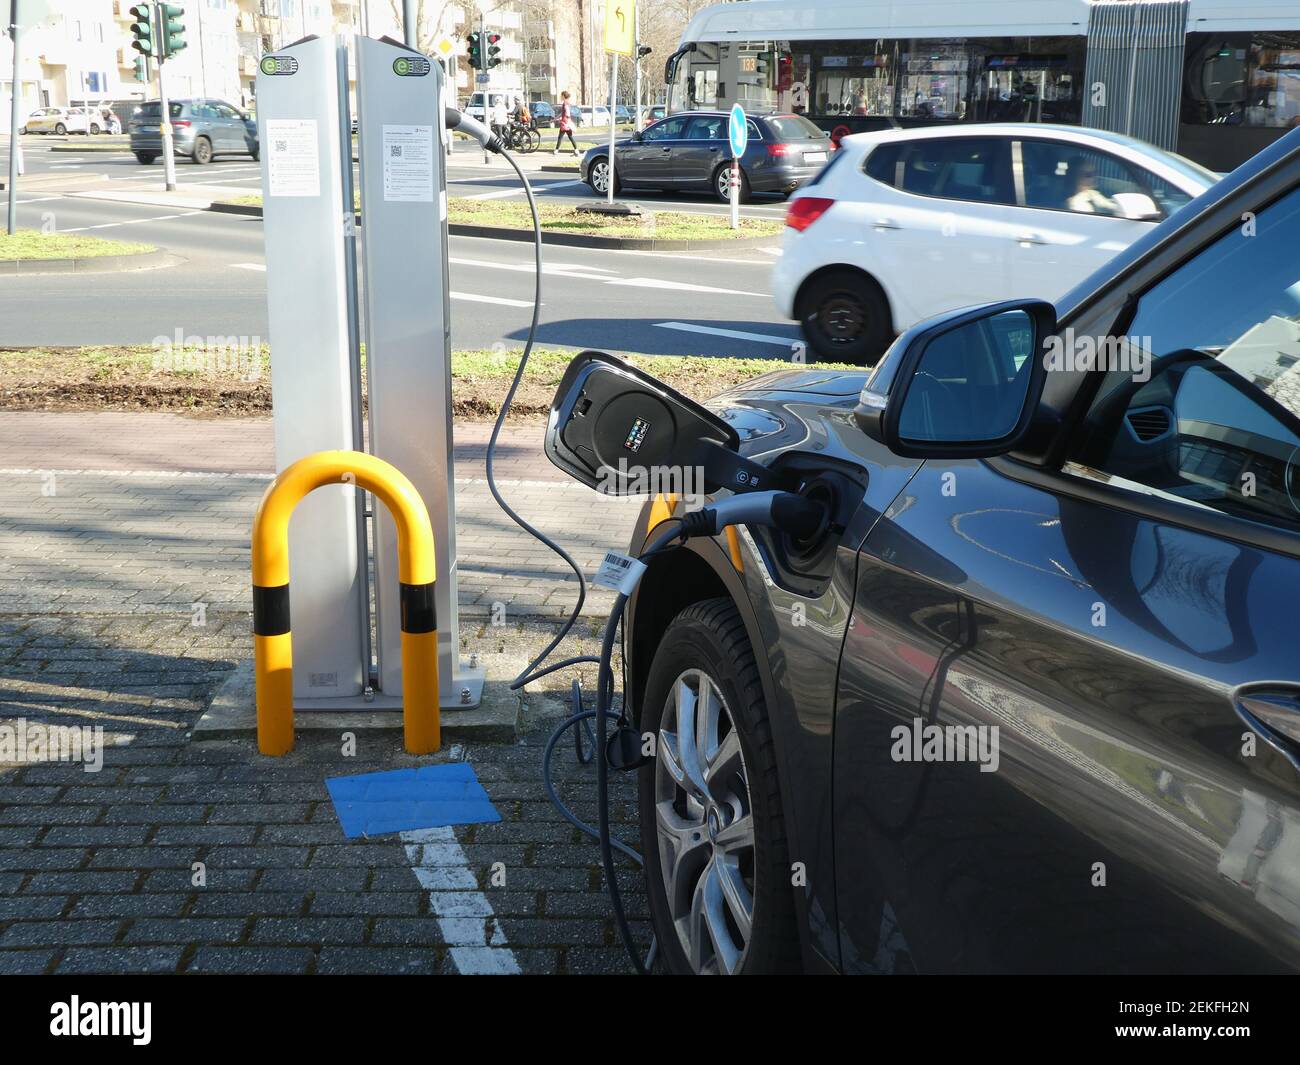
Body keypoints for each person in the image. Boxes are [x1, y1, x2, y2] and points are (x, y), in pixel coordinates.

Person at [554, 90, 578, 155]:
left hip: (565, 123)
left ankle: (556, 150)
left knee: (560, 137)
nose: (560, 97)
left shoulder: (565, 103)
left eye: (561, 96)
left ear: (564, 96)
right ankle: (576, 150)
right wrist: (557, 118)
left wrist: (565, 119)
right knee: (570, 137)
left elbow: (567, 112)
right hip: (566, 122)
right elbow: (563, 113)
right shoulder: (566, 102)